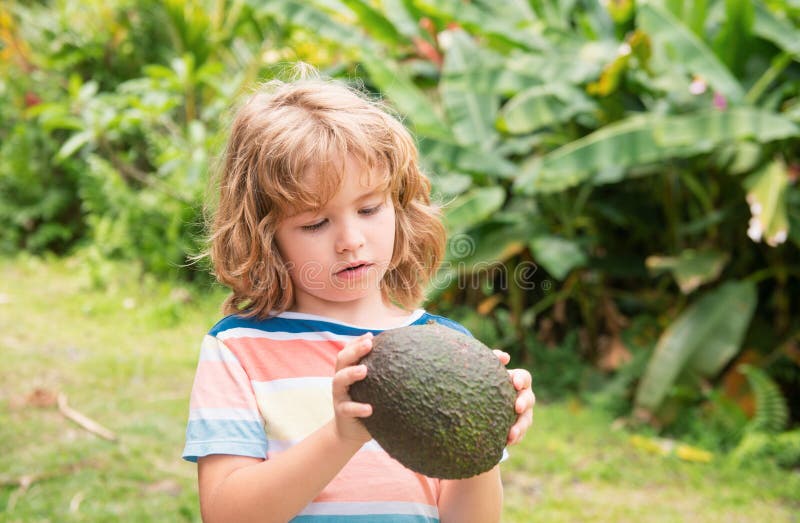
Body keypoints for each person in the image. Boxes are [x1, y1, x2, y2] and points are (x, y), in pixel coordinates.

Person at [183, 69, 535, 523]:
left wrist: (484, 441)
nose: (350, 239)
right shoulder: (238, 351)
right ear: (265, 237)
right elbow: (227, 515)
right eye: (315, 223)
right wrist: (341, 436)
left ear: (399, 206)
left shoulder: (446, 346)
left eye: (369, 208)